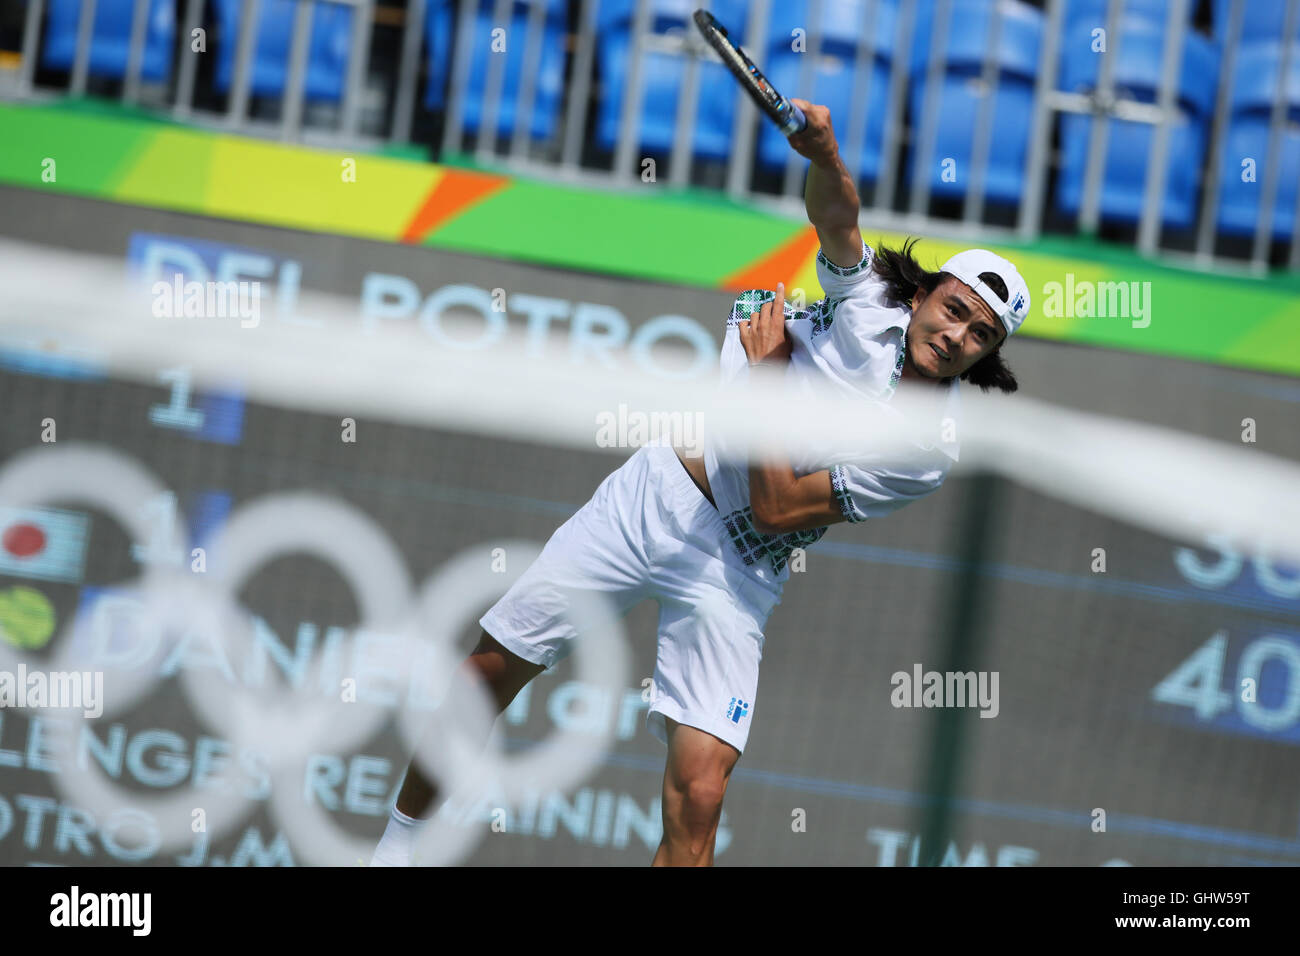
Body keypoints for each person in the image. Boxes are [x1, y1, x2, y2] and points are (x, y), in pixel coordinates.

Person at [371, 98, 1031, 867]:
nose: (956, 336)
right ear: (923, 296)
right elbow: (840, 219)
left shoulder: (927, 452)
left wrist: (770, 382)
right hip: (654, 500)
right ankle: (392, 854)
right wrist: (825, 155)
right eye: (954, 310)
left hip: (741, 564)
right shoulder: (873, 304)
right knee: (488, 670)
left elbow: (778, 506)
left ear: (986, 356)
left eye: (980, 335)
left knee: (703, 792)